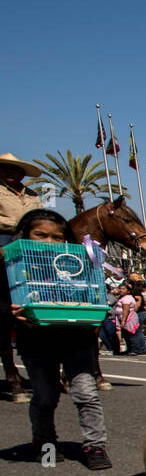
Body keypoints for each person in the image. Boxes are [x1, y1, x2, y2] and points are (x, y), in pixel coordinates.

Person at [8, 209, 111, 469]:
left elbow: (94, 292)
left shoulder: (75, 262)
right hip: (36, 341)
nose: (49, 242)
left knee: (86, 393)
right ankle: (46, 444)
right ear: (24, 234)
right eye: (40, 235)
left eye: (57, 237)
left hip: (76, 338)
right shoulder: (10, 266)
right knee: (45, 396)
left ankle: (95, 446)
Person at [0, 152, 43, 402]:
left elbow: (39, 214)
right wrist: (15, 222)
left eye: (17, 170)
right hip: (5, 236)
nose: (13, 173)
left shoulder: (32, 195)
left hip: (29, 238)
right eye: (8, 169)